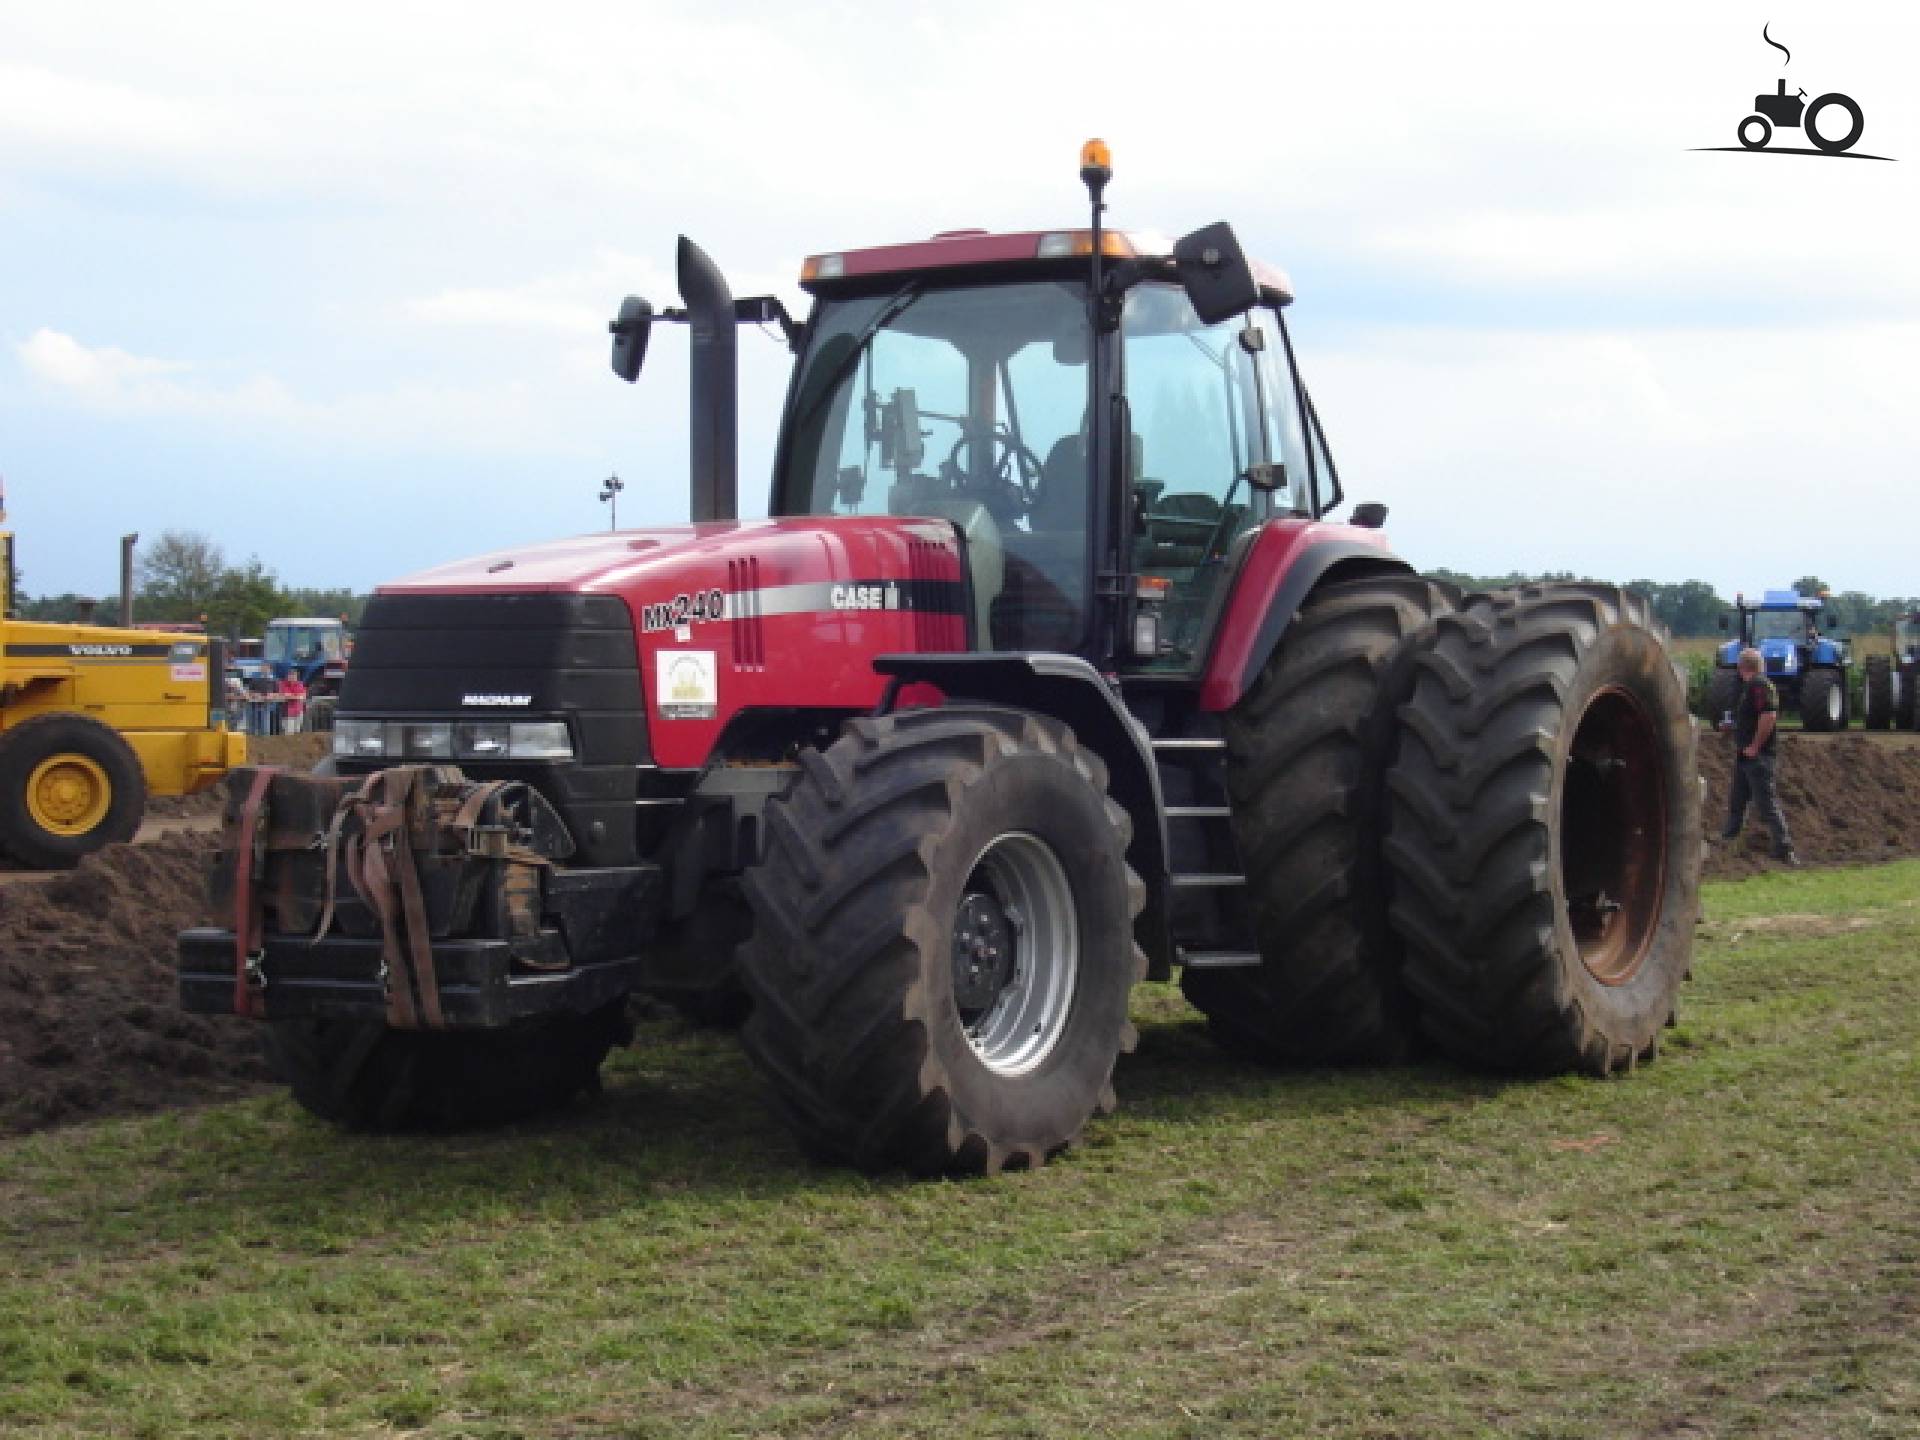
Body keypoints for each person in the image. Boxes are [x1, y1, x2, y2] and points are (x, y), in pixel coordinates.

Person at [1719, 647, 1799, 865]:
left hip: (1758, 757)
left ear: (1741, 666)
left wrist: (1755, 746)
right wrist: (1732, 727)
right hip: (1744, 755)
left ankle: (1784, 847)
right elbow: (1751, 718)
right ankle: (1727, 842)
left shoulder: (1761, 686)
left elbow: (1769, 716)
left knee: (1766, 804)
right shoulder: (1748, 688)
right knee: (1737, 801)